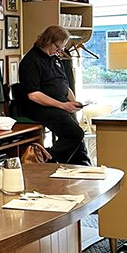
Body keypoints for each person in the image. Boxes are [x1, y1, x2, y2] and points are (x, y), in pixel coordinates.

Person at [17, 24, 91, 165]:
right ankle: (47, 159)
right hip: (40, 107)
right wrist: (63, 105)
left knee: (78, 137)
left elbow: (64, 84)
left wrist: (73, 103)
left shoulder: (54, 58)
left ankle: (83, 166)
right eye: (58, 47)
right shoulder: (30, 61)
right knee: (75, 134)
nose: (59, 51)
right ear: (48, 41)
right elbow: (34, 95)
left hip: (60, 104)